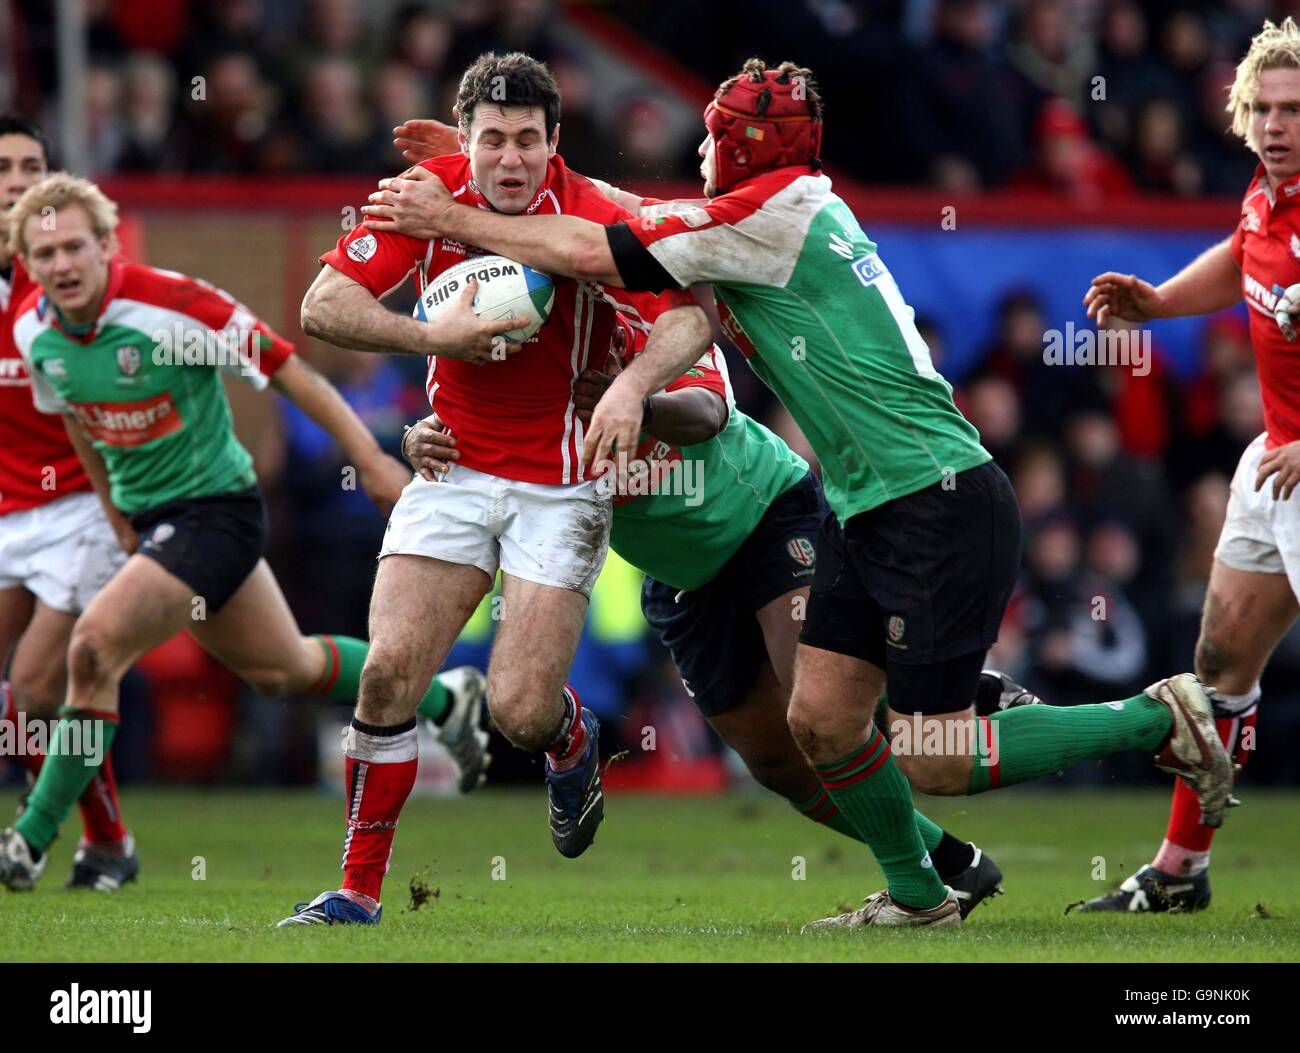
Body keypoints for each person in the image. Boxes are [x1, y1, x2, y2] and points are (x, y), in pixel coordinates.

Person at [364, 58, 1234, 929]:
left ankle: (1152, 718)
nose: (698, 148)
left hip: (928, 495)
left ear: (743, 148)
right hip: (863, 505)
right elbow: (611, 218)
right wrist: (501, 177)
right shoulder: (768, 209)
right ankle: (922, 895)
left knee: (928, 752)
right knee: (815, 729)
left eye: (712, 136)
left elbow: (603, 245)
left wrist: (457, 210)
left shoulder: (761, 217)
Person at [281, 52, 710, 926]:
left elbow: (693, 316)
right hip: (451, 467)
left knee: (517, 710)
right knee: (388, 673)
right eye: (490, 141)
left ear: (555, 143)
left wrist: (630, 390)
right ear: (466, 141)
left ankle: (569, 736)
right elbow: (323, 305)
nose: (507, 160)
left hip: (561, 482)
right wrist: (428, 333)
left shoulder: (594, 213)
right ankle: (358, 890)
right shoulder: (426, 190)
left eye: (525, 141)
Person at [404, 310, 1013, 919]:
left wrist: (637, 401)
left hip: (765, 518)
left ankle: (952, 693)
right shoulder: (523, 387)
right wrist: (416, 441)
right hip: (680, 579)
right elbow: (475, 467)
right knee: (779, 763)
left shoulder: (648, 321)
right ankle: (956, 862)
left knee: (820, 706)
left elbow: (709, 413)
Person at [0, 173, 487, 893]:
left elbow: (293, 374)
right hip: (157, 524)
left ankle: (37, 841)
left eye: (76, 246)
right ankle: (450, 698)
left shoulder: (174, 306)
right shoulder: (35, 330)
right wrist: (114, 514)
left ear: (107, 244)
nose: (63, 264)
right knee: (281, 667)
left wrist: (374, 462)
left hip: (215, 513)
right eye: (45, 254)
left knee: (94, 647)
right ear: (25, 263)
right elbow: (75, 416)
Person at [1076, 17, 1300, 913]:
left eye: (1295, 110)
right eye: (1266, 109)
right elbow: (1246, 255)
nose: (1279, 124)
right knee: (1218, 669)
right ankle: (1178, 873)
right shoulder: (1264, 196)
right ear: (1243, 116)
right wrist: (1164, 301)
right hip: (1273, 468)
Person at [0, 115, 135, 890]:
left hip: (85, 504)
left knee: (36, 682)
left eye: (33, 164)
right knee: (29, 694)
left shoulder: (66, 270)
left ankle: (49, 834)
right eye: (5, 165)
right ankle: (108, 838)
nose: (18, 178)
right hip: (12, 505)